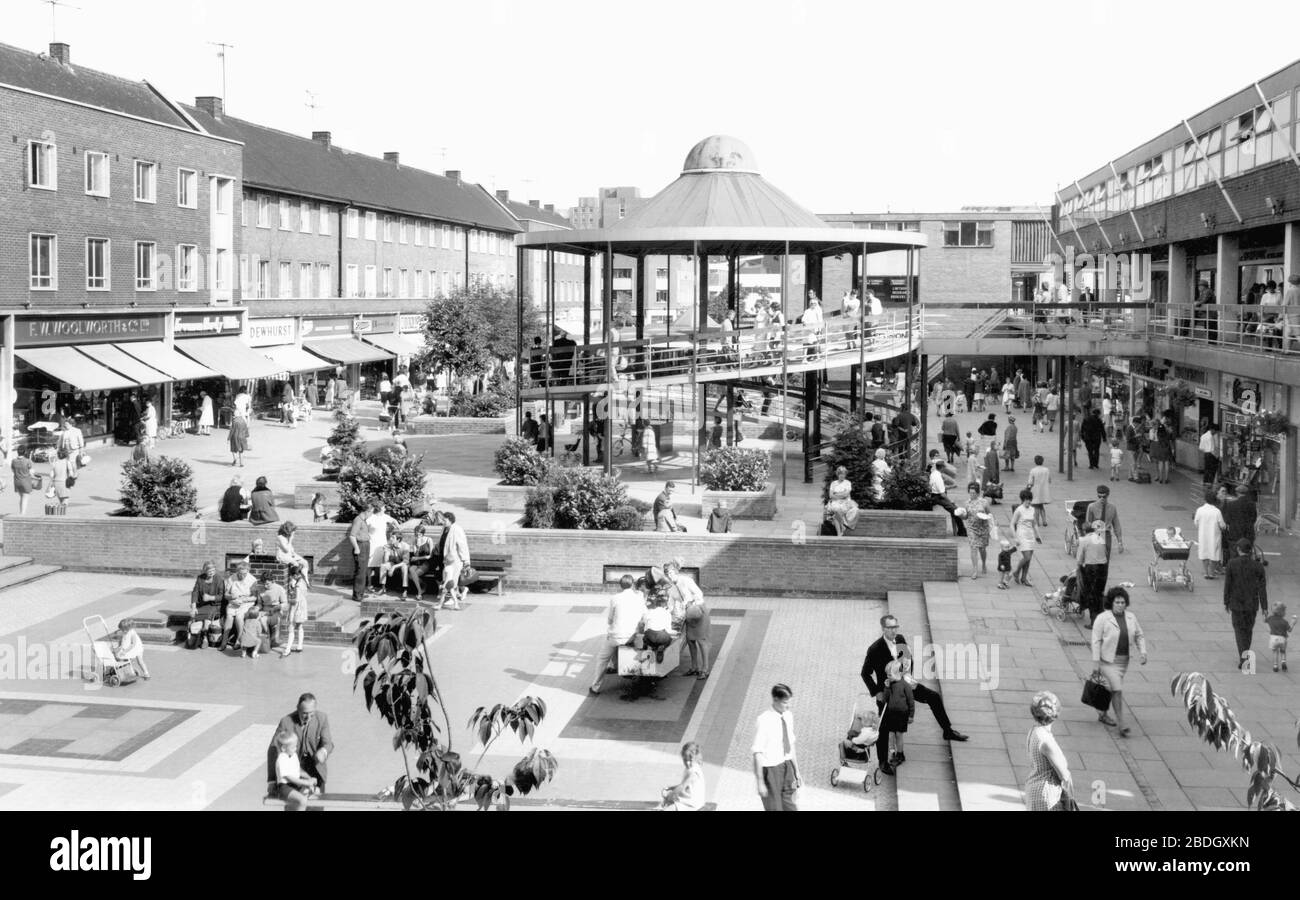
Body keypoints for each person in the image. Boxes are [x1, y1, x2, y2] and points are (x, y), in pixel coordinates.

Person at [861, 615, 968, 776]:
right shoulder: (875, 649)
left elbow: (909, 659)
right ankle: (883, 762)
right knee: (883, 727)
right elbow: (865, 673)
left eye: (896, 626)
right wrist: (877, 692)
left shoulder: (900, 639)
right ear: (883, 628)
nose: (894, 630)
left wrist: (909, 676)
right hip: (888, 692)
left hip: (906, 683)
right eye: (890, 627)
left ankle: (948, 730)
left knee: (934, 697)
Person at [1091, 586, 1147, 736]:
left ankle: (1102, 713)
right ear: (1111, 602)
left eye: (1123, 602)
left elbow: (1139, 635)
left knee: (1110, 689)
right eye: (1117, 602)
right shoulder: (1102, 618)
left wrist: (1142, 652)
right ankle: (1121, 723)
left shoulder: (1131, 617)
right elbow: (1096, 641)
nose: (1121, 605)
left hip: (1124, 661)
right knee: (1117, 689)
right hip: (1108, 661)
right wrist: (1096, 662)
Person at [590, 574, 648, 694]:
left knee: (602, 658)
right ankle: (621, 668)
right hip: (632, 636)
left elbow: (610, 620)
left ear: (620, 586)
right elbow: (645, 616)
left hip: (616, 637)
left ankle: (595, 687)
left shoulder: (615, 598)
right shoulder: (639, 597)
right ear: (632, 584)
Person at [267, 693, 334, 792]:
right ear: (297, 708)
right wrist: (272, 780)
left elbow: (328, 743)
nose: (308, 717)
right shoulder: (286, 722)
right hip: (295, 768)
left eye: (312, 713)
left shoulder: (322, 718)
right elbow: (273, 749)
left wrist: (323, 751)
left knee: (316, 804)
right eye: (304, 713)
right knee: (295, 804)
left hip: (316, 768)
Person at [752, 683, 801, 811]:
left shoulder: (788, 716)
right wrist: (760, 782)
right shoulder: (764, 720)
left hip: (787, 766)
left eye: (789, 702)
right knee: (775, 808)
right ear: (775, 699)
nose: (788, 706)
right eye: (785, 702)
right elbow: (757, 753)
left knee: (790, 806)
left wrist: (796, 771)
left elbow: (791, 744)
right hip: (771, 769)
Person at [1223, 538, 1269, 667]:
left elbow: (1228, 585)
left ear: (1238, 549)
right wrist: (1264, 607)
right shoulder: (1258, 566)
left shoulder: (1232, 564)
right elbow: (1262, 588)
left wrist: (1226, 601)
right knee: (1248, 630)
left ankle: (1243, 657)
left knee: (1239, 630)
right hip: (1251, 604)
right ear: (1250, 551)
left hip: (1236, 603)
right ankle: (1245, 654)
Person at [1024, 691, 1073, 811]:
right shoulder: (1046, 741)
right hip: (1048, 795)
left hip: (1034, 789)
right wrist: (1070, 800)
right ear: (1055, 713)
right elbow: (1064, 775)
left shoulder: (1034, 731)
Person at [666, 563, 710, 679]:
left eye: (671, 572)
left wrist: (689, 603)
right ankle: (694, 667)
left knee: (701, 640)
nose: (669, 575)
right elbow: (671, 604)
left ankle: (705, 669)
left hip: (697, 611)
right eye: (667, 573)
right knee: (690, 640)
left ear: (676, 572)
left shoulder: (686, 580)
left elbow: (699, 594)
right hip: (687, 614)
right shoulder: (671, 587)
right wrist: (666, 613)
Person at [1084, 484, 1123, 597]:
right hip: (1095, 534)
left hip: (1106, 535)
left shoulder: (1112, 508)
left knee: (1105, 564)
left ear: (1108, 496)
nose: (1101, 499)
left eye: (1104, 496)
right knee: (1093, 563)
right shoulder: (1091, 507)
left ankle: (1101, 589)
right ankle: (1092, 587)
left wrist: (1120, 542)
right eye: (1099, 496)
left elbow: (1117, 525)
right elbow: (1087, 523)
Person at [883, 653, 915, 766]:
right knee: (891, 734)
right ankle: (892, 752)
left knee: (899, 735)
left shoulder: (905, 685)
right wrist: (886, 688)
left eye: (889, 674)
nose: (888, 677)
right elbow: (885, 699)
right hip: (891, 713)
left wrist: (911, 715)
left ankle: (900, 754)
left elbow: (911, 701)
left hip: (902, 714)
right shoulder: (889, 685)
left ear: (896, 673)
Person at [273, 731, 317, 811]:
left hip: (295, 786)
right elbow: (289, 778)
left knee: (315, 791)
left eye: (296, 746)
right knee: (302, 800)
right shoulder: (282, 759)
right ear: (283, 748)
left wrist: (309, 778)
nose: (296, 749)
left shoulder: (294, 755)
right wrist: (306, 782)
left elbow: (298, 770)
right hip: (285, 787)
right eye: (293, 747)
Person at [1076, 520, 1110, 625]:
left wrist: (1079, 568)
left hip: (1092, 569)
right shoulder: (1100, 539)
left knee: (1091, 594)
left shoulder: (1085, 540)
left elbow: (1079, 559)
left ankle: (1094, 621)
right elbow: (1106, 552)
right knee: (1099, 593)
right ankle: (1102, 617)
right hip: (1103, 567)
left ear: (1084, 531)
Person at [219, 560, 258, 651]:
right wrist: (232, 597)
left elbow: (255, 597)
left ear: (248, 571)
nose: (242, 576)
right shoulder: (231, 578)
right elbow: (226, 595)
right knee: (229, 616)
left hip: (246, 603)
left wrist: (244, 600)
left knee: (239, 617)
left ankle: (239, 641)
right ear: (237, 571)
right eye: (240, 573)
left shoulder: (252, 580)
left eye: (244, 574)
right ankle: (224, 642)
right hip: (233, 601)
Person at [659, 741, 706, 811]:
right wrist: (671, 787)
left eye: (688, 760)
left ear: (694, 757)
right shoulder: (690, 767)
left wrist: (669, 797)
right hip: (688, 798)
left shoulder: (694, 772)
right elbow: (687, 785)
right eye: (685, 759)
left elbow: (682, 786)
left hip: (692, 802)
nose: (686, 763)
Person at [959, 482, 992, 578]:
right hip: (971, 528)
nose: (972, 495)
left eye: (973, 493)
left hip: (983, 528)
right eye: (970, 493)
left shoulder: (984, 502)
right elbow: (966, 517)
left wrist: (988, 520)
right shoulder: (967, 503)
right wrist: (961, 515)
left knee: (982, 548)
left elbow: (989, 514)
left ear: (978, 493)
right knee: (973, 548)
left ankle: (984, 563)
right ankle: (975, 570)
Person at [364, 501, 398, 593]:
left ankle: (382, 586)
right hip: (372, 544)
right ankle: (369, 584)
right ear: (379, 509)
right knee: (370, 565)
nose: (385, 509)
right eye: (384, 507)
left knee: (382, 565)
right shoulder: (370, 518)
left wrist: (398, 529)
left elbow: (394, 520)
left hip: (382, 544)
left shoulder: (385, 517)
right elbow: (364, 529)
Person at [439, 511, 470, 610]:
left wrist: (465, 560)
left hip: (455, 559)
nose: (443, 522)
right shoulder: (445, 528)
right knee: (450, 578)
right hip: (447, 558)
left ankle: (454, 598)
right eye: (443, 520)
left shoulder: (457, 529)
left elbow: (462, 545)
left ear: (450, 520)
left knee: (452, 579)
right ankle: (463, 590)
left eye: (445, 520)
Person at [1220, 486, 1257, 569]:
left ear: (1237, 493)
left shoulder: (1231, 504)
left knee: (1234, 552)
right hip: (1248, 533)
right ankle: (1246, 568)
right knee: (1247, 551)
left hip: (1235, 533)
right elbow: (1254, 518)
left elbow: (1227, 520)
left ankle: (1234, 569)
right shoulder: (1252, 504)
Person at [929, 457, 966, 537]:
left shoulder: (934, 473)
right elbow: (942, 494)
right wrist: (950, 501)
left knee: (955, 509)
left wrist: (951, 487)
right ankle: (962, 531)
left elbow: (939, 488)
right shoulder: (938, 477)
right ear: (942, 468)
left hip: (936, 494)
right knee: (956, 510)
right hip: (937, 497)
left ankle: (961, 529)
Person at [1010, 489, 1039, 586]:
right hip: (1021, 535)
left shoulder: (1032, 509)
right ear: (1023, 499)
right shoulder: (1019, 510)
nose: (1029, 502)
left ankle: (1024, 578)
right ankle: (1016, 572)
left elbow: (1034, 524)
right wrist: (1015, 538)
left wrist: (1037, 535)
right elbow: (1012, 524)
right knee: (1026, 557)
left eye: (1030, 499)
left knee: (1029, 559)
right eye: (1027, 500)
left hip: (1030, 535)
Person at [1193, 495, 1227, 579]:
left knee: (1204, 553)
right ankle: (1211, 573)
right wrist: (1224, 527)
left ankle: (1206, 572)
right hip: (1214, 535)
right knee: (1214, 554)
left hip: (1203, 535)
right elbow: (1222, 525)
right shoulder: (1217, 511)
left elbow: (1196, 522)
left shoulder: (1200, 510)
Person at [189, 561, 226, 636]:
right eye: (209, 571)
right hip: (202, 604)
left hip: (215, 605)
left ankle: (204, 636)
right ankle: (196, 634)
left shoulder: (219, 579)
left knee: (207, 616)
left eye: (213, 570)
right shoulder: (200, 578)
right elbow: (195, 592)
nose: (212, 573)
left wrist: (211, 598)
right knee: (194, 614)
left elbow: (222, 596)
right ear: (205, 571)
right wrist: (193, 607)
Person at [253, 569, 285, 652]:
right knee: (258, 619)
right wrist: (256, 608)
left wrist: (275, 608)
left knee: (263, 620)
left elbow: (285, 604)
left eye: (267, 583)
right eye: (264, 584)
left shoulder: (279, 589)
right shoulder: (261, 589)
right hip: (265, 611)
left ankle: (270, 640)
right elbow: (260, 603)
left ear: (273, 581)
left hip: (276, 611)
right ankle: (265, 641)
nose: (265, 586)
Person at [280, 564, 309, 655]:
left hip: (296, 608)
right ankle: (299, 646)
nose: (291, 577)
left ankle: (287, 649)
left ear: (295, 575)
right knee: (300, 626)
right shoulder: (303, 581)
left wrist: (289, 600)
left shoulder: (297, 585)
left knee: (291, 627)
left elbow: (296, 599)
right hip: (302, 606)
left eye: (292, 576)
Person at [638, 595, 676, 662]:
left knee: (645, 638)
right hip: (661, 636)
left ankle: (647, 647)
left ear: (656, 605)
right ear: (665, 605)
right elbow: (668, 629)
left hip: (650, 635)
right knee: (669, 639)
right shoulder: (667, 613)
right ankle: (661, 647)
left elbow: (644, 622)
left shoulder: (650, 612)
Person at [406, 523, 439, 600]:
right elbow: (414, 554)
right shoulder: (415, 540)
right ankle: (422, 586)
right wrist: (416, 546)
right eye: (416, 534)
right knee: (410, 572)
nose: (418, 535)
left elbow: (430, 556)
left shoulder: (428, 540)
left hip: (426, 563)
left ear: (423, 533)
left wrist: (417, 558)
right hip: (416, 563)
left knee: (413, 575)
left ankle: (419, 592)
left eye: (420, 534)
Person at [825, 465, 860, 535]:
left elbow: (846, 495)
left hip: (846, 502)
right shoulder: (833, 483)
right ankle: (841, 528)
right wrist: (841, 495)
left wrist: (836, 494)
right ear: (838, 474)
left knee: (836, 513)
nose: (842, 476)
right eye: (841, 474)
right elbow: (830, 495)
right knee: (836, 509)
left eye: (844, 474)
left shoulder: (847, 483)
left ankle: (839, 532)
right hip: (835, 502)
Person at [348, 503, 372, 603]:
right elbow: (352, 536)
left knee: (363, 570)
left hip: (365, 545)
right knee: (360, 571)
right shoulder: (358, 520)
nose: (371, 514)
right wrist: (357, 548)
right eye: (371, 512)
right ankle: (357, 595)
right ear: (367, 511)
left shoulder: (363, 521)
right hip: (360, 545)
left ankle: (360, 593)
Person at [378, 529, 411, 594]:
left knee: (404, 567)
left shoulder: (405, 546)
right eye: (391, 537)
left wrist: (393, 567)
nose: (390, 539)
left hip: (402, 564)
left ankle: (405, 590)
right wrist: (386, 552)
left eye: (393, 537)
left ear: (398, 540)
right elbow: (386, 561)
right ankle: (383, 588)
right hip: (394, 563)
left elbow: (406, 561)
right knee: (383, 566)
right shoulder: (389, 546)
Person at [1265, 603, 1295, 673]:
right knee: (1283, 651)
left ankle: (1275, 666)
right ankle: (1283, 661)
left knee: (1275, 652)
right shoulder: (1284, 622)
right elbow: (1289, 630)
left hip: (1273, 638)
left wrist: (1265, 614)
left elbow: (1264, 620)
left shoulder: (1270, 618)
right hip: (1282, 639)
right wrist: (1293, 623)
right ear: (1282, 613)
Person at [1027, 454, 1051, 527]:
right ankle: (1044, 521)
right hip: (1044, 490)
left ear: (1035, 462)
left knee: (1036, 507)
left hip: (1036, 490)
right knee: (1041, 506)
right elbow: (1049, 480)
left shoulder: (1033, 470)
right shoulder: (1046, 470)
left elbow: (1030, 482)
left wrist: (1028, 488)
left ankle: (1037, 522)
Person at [1199, 422, 1221, 487]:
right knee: (1212, 469)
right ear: (1213, 430)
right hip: (1211, 455)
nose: (1216, 433)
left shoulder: (1203, 436)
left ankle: (1205, 482)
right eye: (1216, 431)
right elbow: (1212, 449)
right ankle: (1210, 483)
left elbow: (1201, 447)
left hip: (1206, 454)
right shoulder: (1210, 437)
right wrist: (1217, 456)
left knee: (1206, 469)